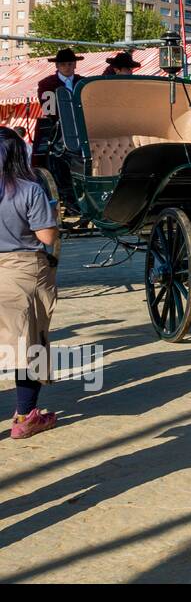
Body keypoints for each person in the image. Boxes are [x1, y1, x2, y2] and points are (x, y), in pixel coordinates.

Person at [0, 127, 60, 438]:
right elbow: (47, 237)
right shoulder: (29, 190)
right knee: (30, 344)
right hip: (23, 270)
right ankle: (25, 417)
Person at [34, 47, 83, 205]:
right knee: (59, 162)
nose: (68, 67)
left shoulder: (82, 82)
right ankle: (67, 198)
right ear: (57, 66)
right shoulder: (47, 84)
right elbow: (50, 111)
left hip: (82, 131)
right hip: (60, 132)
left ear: (75, 64)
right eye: (64, 64)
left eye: (70, 63)